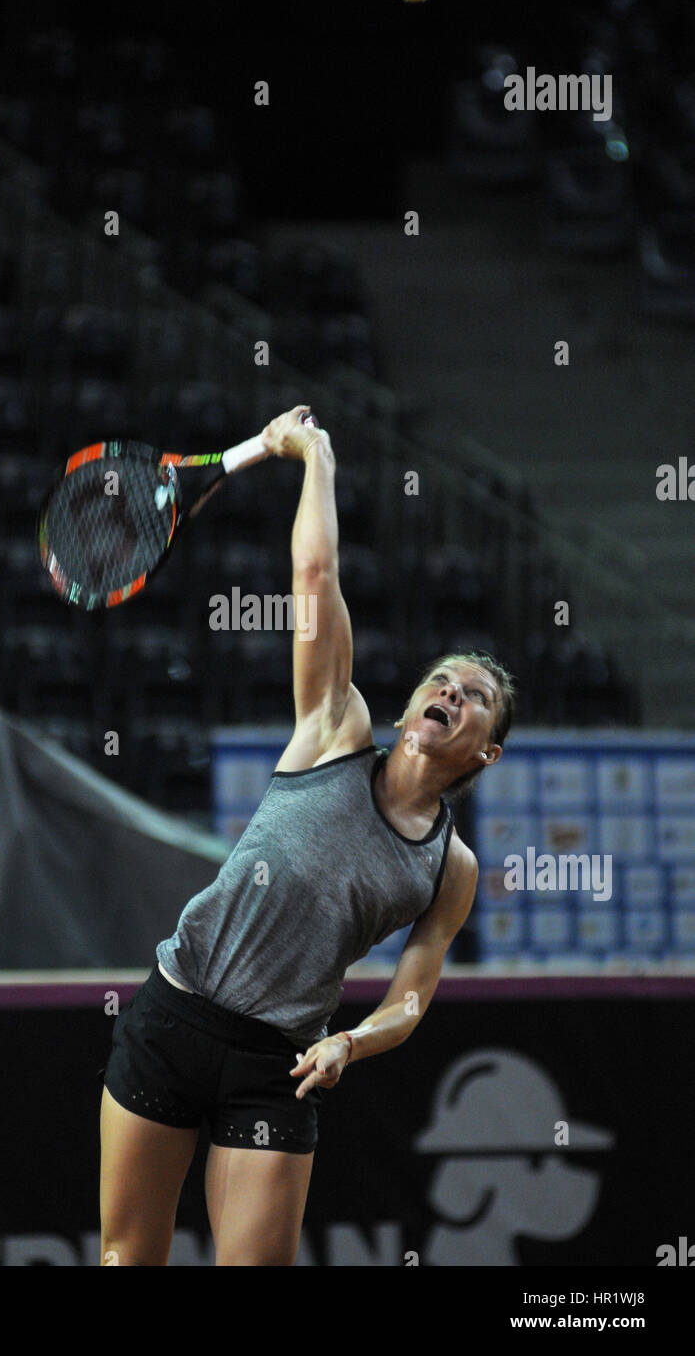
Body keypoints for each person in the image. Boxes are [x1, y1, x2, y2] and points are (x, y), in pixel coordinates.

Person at [99, 404, 515, 1266]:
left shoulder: (450, 867)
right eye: (441, 679)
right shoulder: (332, 727)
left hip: (281, 1058)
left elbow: (409, 999)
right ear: (407, 709)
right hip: (174, 1015)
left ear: (486, 747)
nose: (451, 690)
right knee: (126, 1259)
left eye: (472, 695)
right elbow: (315, 577)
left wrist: (349, 1042)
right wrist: (315, 456)